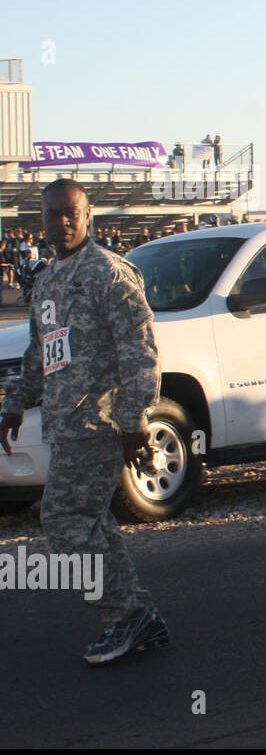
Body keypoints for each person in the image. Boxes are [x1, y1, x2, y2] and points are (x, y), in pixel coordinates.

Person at [0, 179, 167, 664]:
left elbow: (141, 349)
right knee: (91, 520)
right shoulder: (49, 278)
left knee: (63, 521)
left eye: (71, 212)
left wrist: (135, 416)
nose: (62, 221)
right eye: (53, 214)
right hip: (64, 424)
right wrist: (15, 403)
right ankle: (137, 616)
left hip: (101, 422)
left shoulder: (110, 274)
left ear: (88, 215)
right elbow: (40, 352)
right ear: (43, 220)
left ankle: (123, 616)